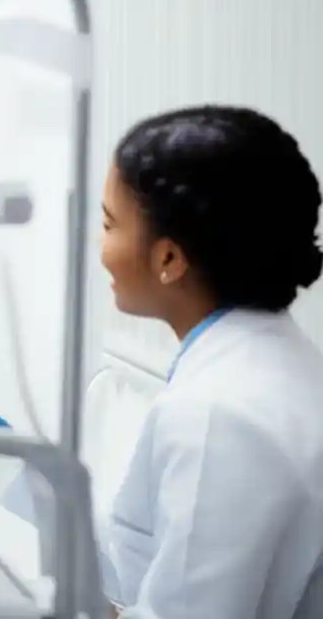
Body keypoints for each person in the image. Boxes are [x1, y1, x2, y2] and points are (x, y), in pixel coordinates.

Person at [98, 105, 323, 617]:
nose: (101, 245)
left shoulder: (218, 415)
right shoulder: (277, 361)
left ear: (169, 260)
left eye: (110, 224)